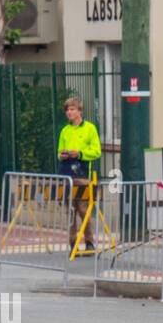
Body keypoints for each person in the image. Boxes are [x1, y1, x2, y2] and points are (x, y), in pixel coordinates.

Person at [56, 96, 101, 251]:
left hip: (82, 175)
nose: (69, 112)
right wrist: (62, 154)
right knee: (70, 210)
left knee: (84, 209)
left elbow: (96, 151)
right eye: (67, 109)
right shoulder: (65, 131)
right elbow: (58, 151)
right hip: (67, 175)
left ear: (79, 111)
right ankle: (72, 241)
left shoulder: (89, 128)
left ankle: (89, 241)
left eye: (72, 109)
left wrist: (80, 153)